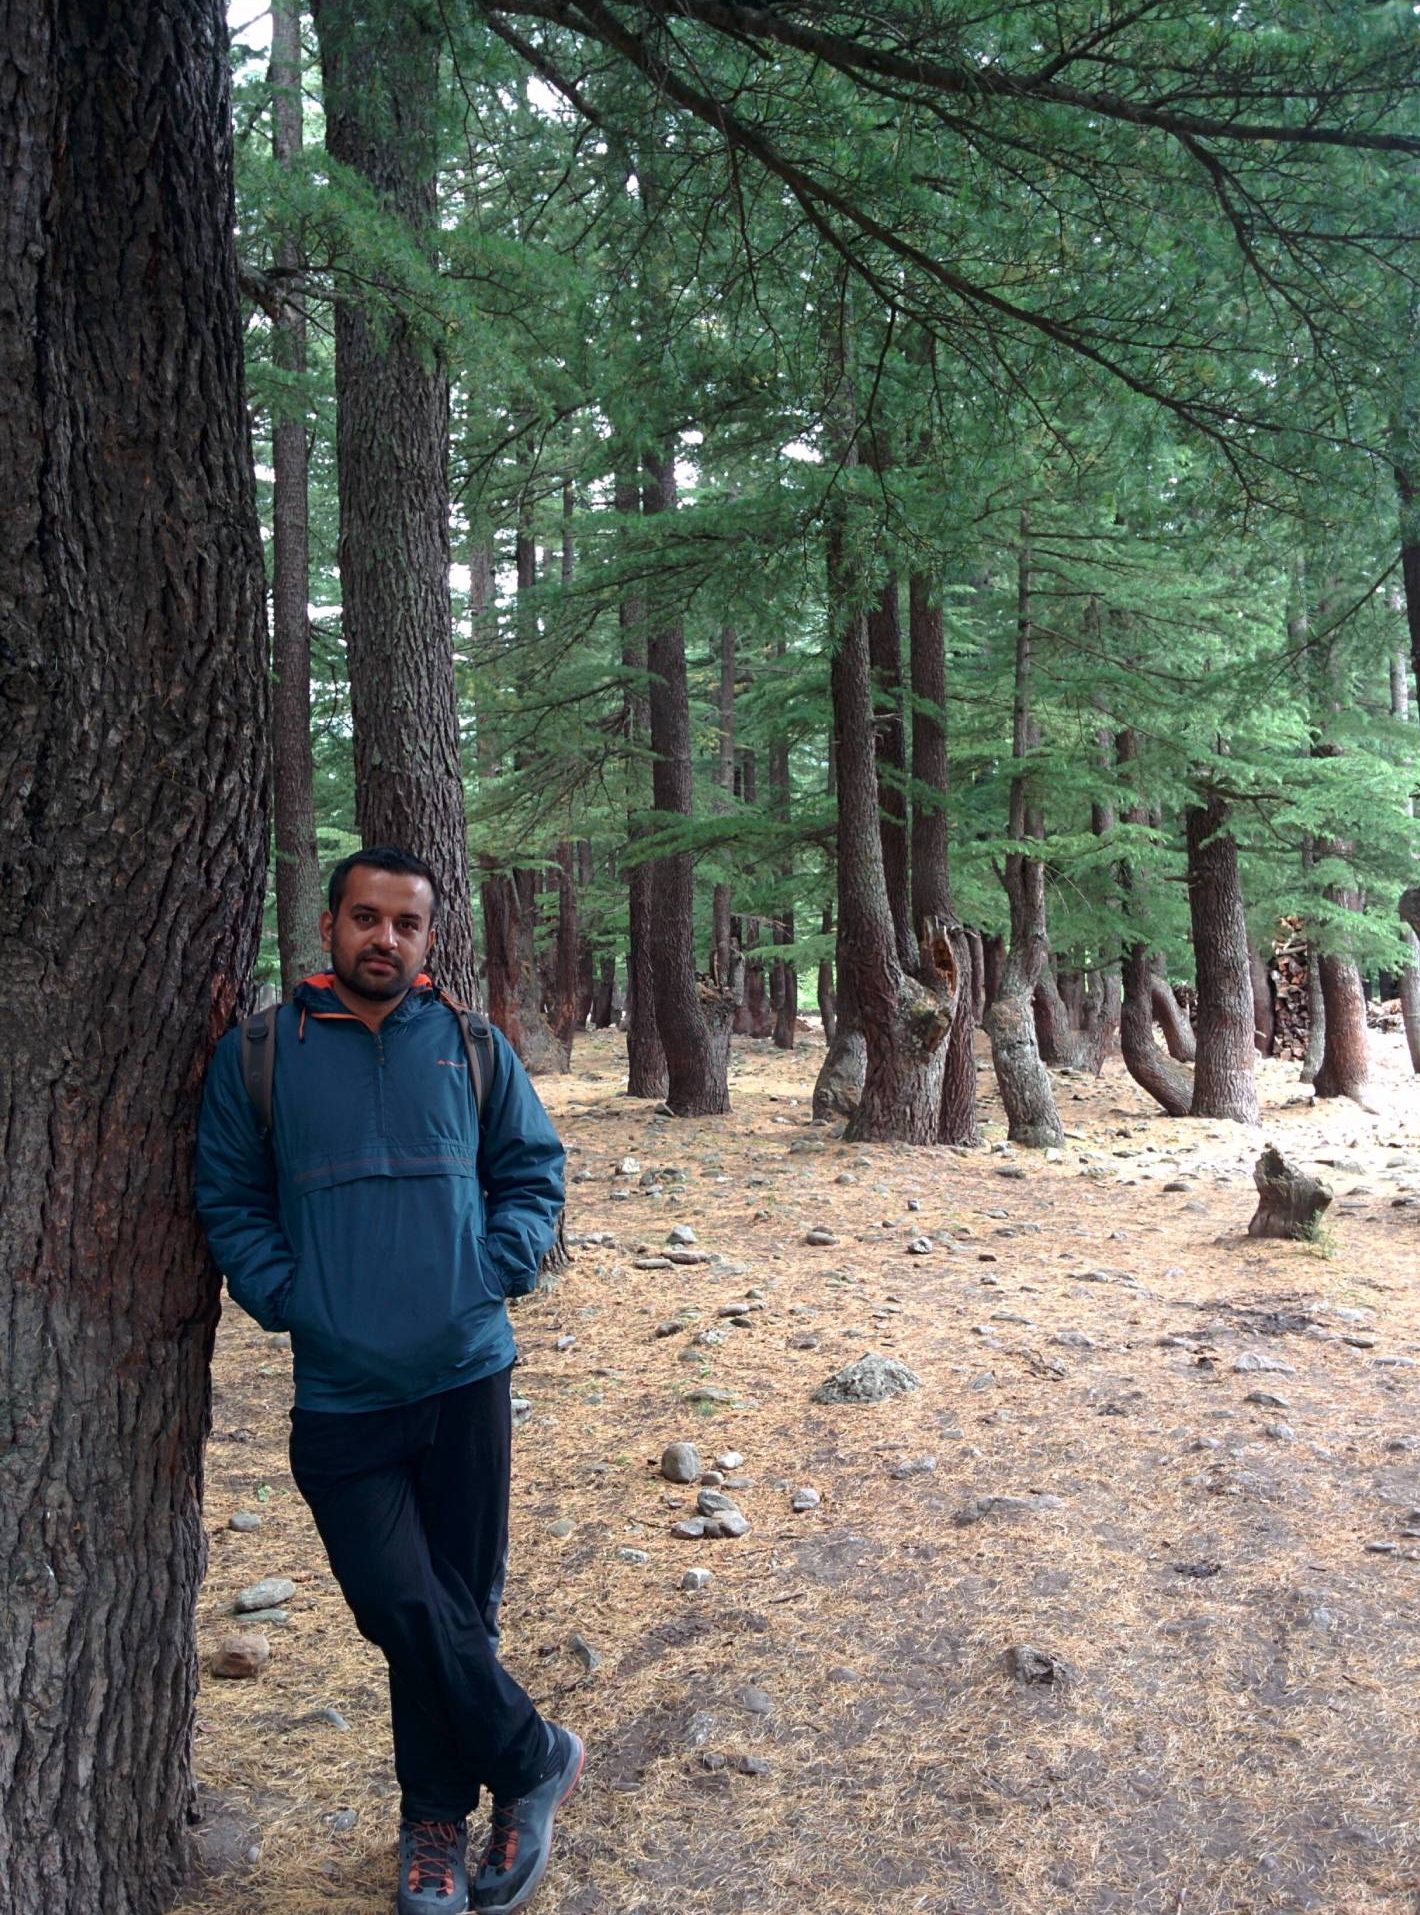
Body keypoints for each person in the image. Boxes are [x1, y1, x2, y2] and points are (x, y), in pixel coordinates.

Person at [196, 846, 581, 1915]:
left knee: (457, 1609)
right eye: (365, 918)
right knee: (402, 1602)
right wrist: (296, 1296)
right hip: (340, 1393)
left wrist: (489, 1270)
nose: (385, 939)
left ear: (428, 935)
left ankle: (432, 1826)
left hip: (465, 1375)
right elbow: (228, 1198)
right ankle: (533, 1753)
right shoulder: (264, 1054)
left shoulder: (470, 1045)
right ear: (329, 927)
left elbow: (534, 1170)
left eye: (405, 923)